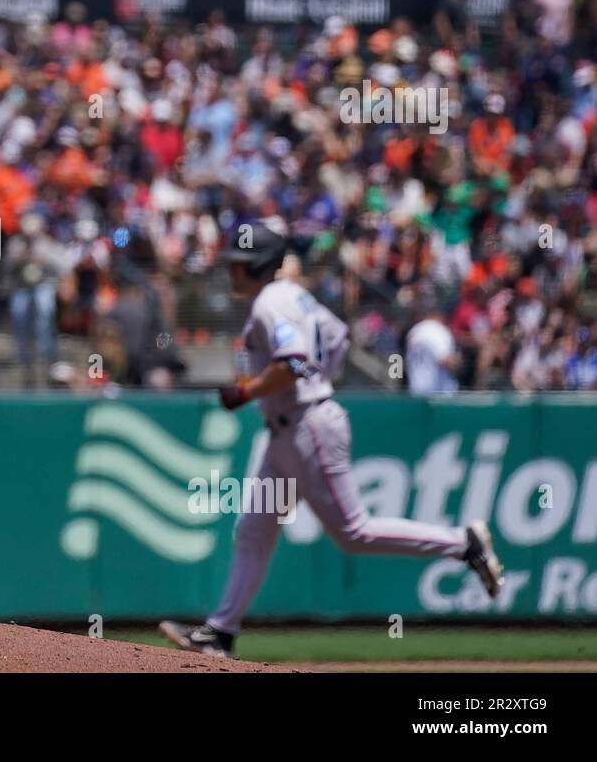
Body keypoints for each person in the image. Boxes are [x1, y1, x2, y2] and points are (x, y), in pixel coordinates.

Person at [158, 223, 504, 658]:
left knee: (353, 531)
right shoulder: (294, 296)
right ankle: (220, 634)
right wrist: (310, 377)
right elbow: (337, 338)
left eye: (240, 265)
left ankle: (463, 543)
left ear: (260, 266)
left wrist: (246, 392)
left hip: (307, 426)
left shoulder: (270, 302)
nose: (233, 272)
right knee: (253, 529)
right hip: (287, 430)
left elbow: (294, 362)